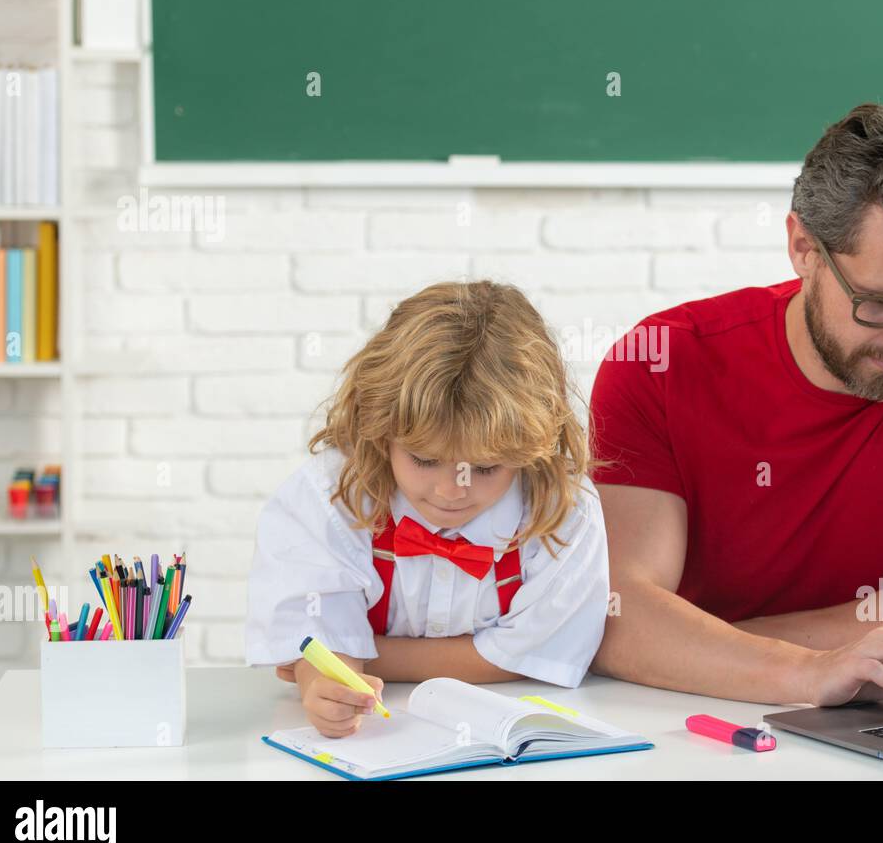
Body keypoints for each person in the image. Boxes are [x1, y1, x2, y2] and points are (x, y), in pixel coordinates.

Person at [589, 99, 883, 706]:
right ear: (803, 248)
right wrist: (808, 671)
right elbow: (618, 615)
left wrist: (712, 648)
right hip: (697, 712)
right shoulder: (658, 361)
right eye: (881, 303)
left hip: (873, 707)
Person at [246, 281, 610, 737]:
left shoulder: (563, 510)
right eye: (424, 460)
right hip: (382, 735)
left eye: (484, 467)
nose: (451, 490)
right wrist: (325, 685)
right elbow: (318, 640)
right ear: (380, 430)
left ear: (532, 446)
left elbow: (539, 657)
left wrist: (364, 652)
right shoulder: (331, 493)